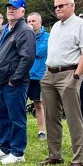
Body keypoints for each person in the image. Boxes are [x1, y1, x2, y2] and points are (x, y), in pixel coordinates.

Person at [39, 0, 83, 166]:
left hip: (69, 73)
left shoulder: (81, 25)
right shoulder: (56, 26)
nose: (58, 9)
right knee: (51, 117)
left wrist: (77, 76)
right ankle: (54, 155)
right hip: (50, 73)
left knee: (73, 117)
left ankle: (79, 160)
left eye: (61, 5)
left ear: (72, 6)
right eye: (56, 6)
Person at [0, 0, 36, 164]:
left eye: (14, 8)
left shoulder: (25, 31)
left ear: (23, 10)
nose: (10, 10)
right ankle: (5, 148)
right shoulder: (5, 29)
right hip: (0, 81)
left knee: (16, 118)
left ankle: (18, 152)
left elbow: (27, 58)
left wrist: (15, 79)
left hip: (14, 83)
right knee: (2, 116)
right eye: (9, 7)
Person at [27, 12, 48, 142]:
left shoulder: (47, 37)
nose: (31, 24)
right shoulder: (24, 35)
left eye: (33, 21)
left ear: (40, 22)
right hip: (24, 75)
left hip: (37, 76)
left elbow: (38, 51)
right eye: (29, 21)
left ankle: (42, 131)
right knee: (19, 104)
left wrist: (27, 41)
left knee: (38, 104)